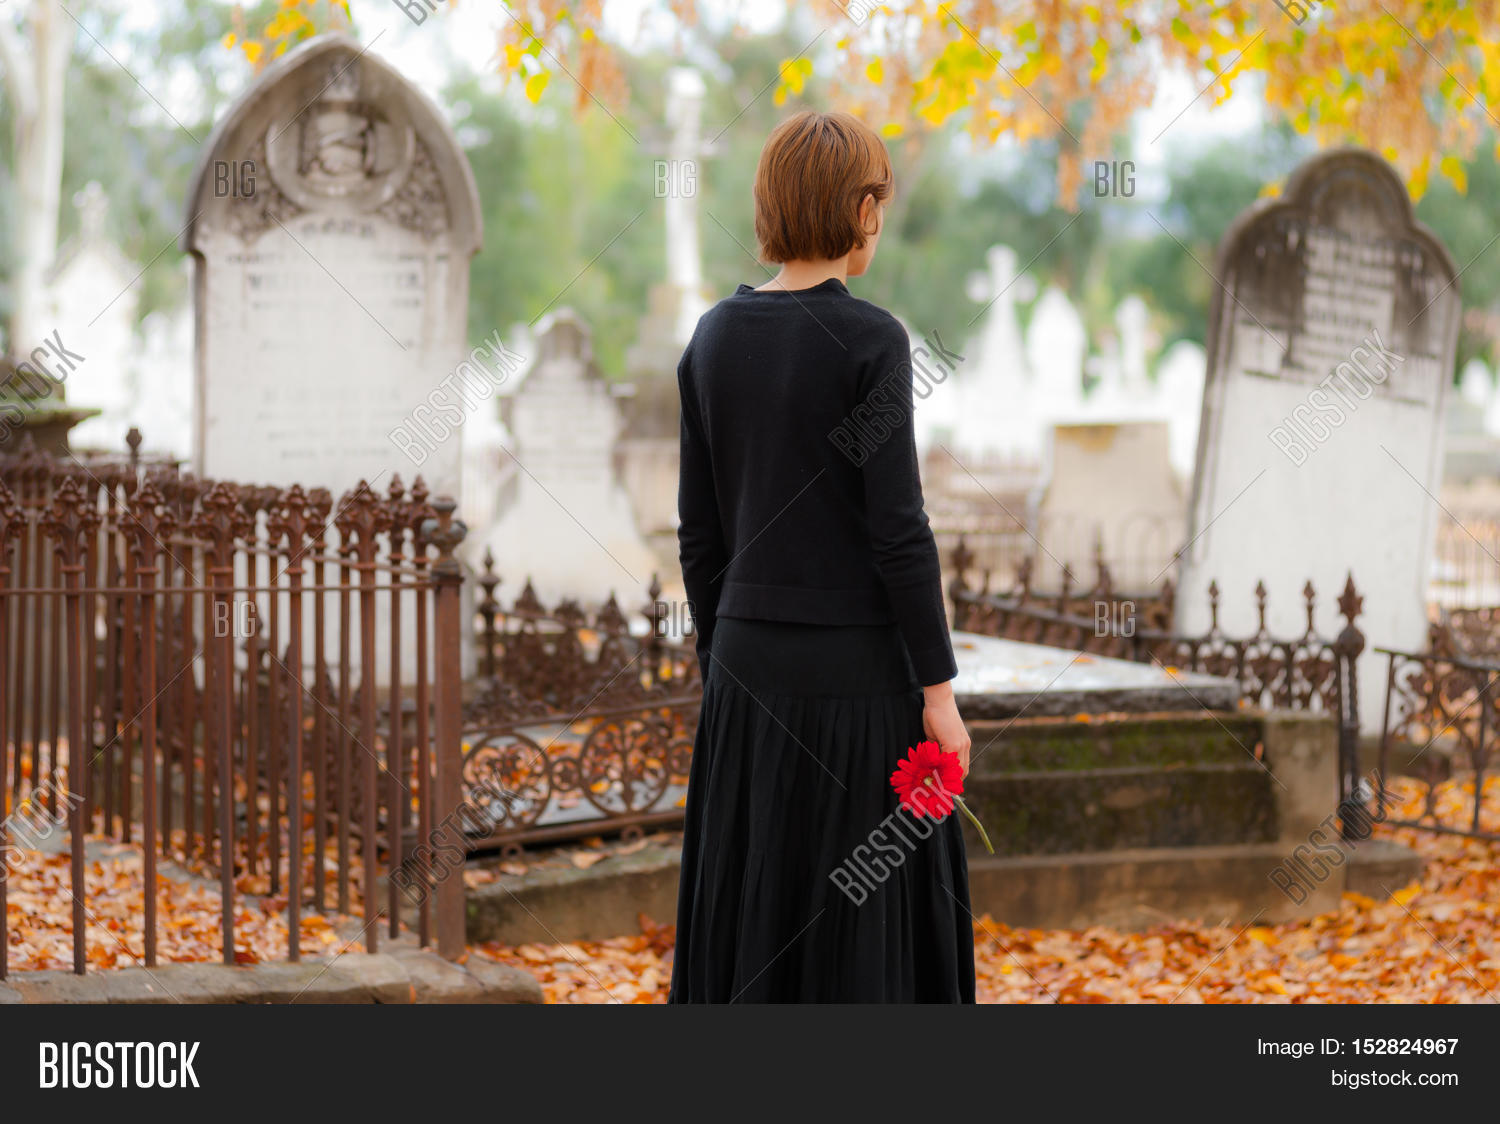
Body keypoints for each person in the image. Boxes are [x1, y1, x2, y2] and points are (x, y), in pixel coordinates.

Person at [667, 109, 976, 1003]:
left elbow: (699, 534)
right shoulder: (874, 340)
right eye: (878, 197)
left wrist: (722, 664)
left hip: (748, 679)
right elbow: (898, 530)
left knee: (758, 910)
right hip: (859, 688)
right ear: (862, 210)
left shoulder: (712, 339)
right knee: (864, 923)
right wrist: (940, 695)